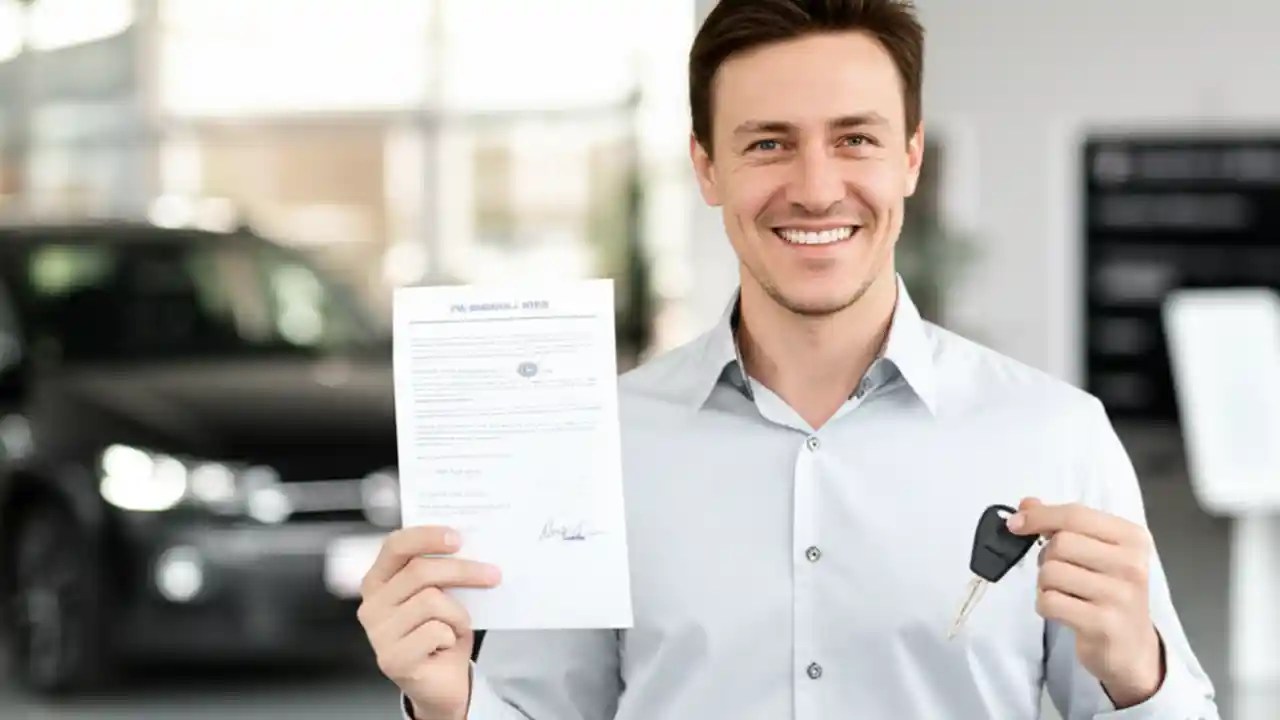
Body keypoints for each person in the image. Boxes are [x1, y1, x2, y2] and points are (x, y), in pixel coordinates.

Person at [359, 1, 1220, 718]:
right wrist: (447, 701)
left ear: (911, 157)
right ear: (706, 166)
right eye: (769, 142)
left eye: (855, 140)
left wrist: (1138, 674)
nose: (814, 187)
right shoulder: (600, 442)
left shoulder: (1056, 436)